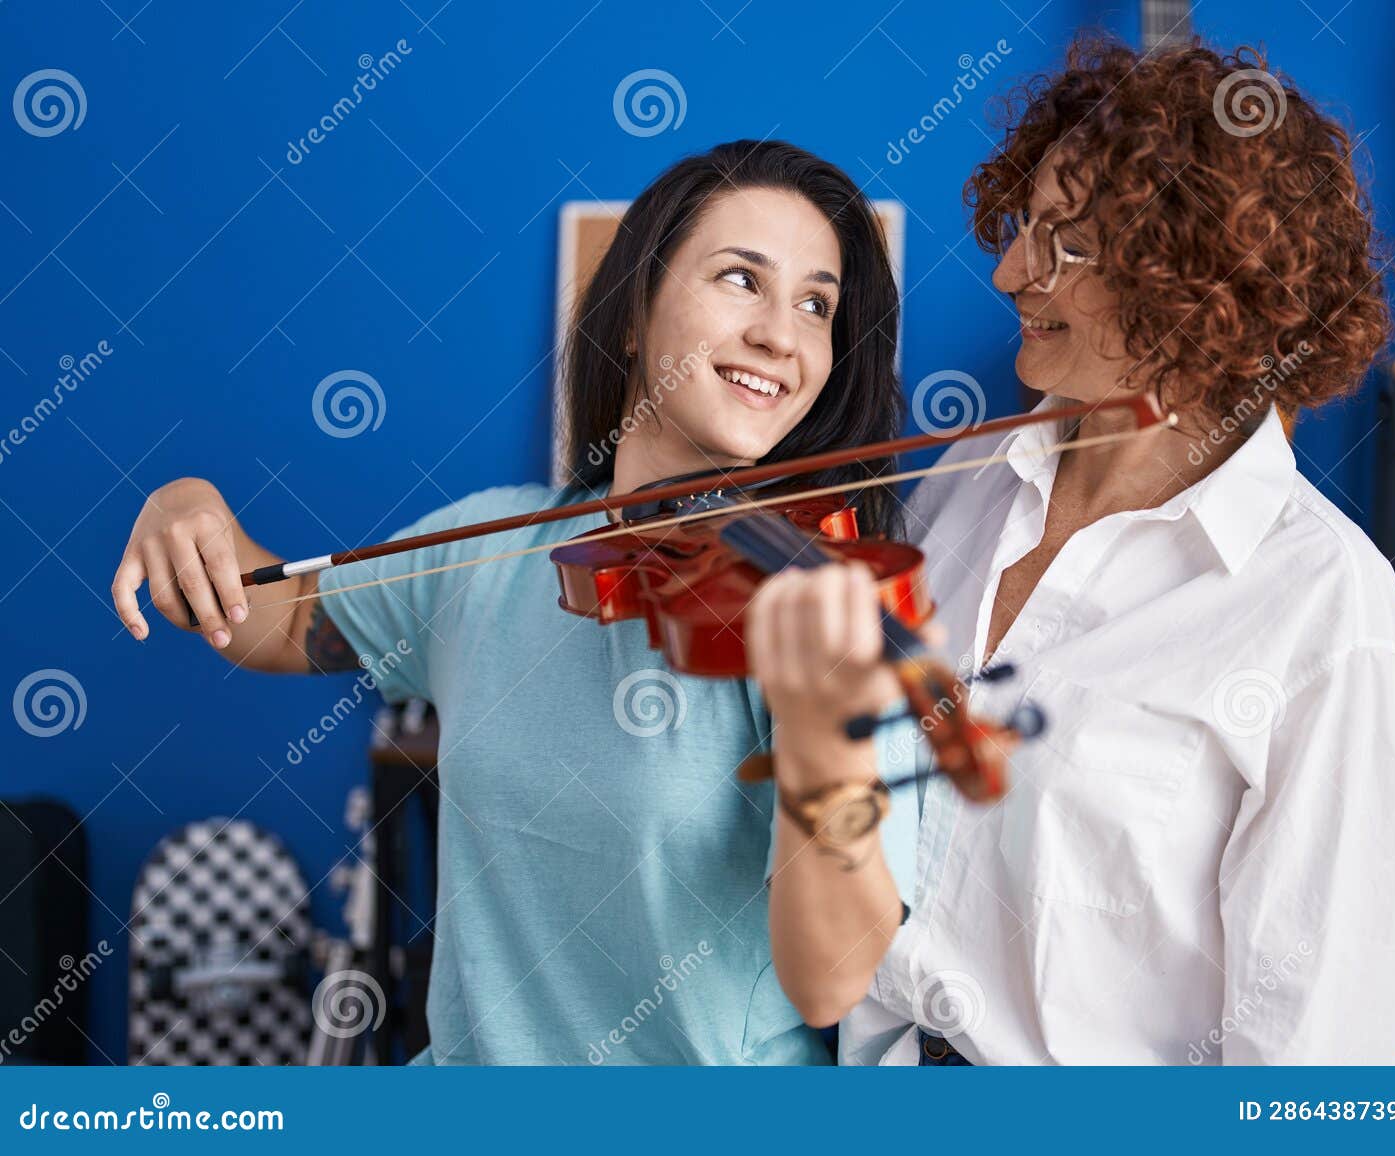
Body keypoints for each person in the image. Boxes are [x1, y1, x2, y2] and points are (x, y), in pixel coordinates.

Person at [111, 139, 908, 1065]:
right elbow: (282, 620)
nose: (782, 334)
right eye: (742, 279)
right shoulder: (487, 549)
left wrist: (823, 744)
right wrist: (190, 508)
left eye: (817, 304)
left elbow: (832, 980)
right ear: (633, 317)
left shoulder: (819, 612)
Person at [751, 38, 1395, 1064]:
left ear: (1197, 284)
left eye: (1063, 246)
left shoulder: (1329, 612)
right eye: (1025, 228)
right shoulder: (966, 479)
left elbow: (1315, 1063)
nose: (1008, 271)